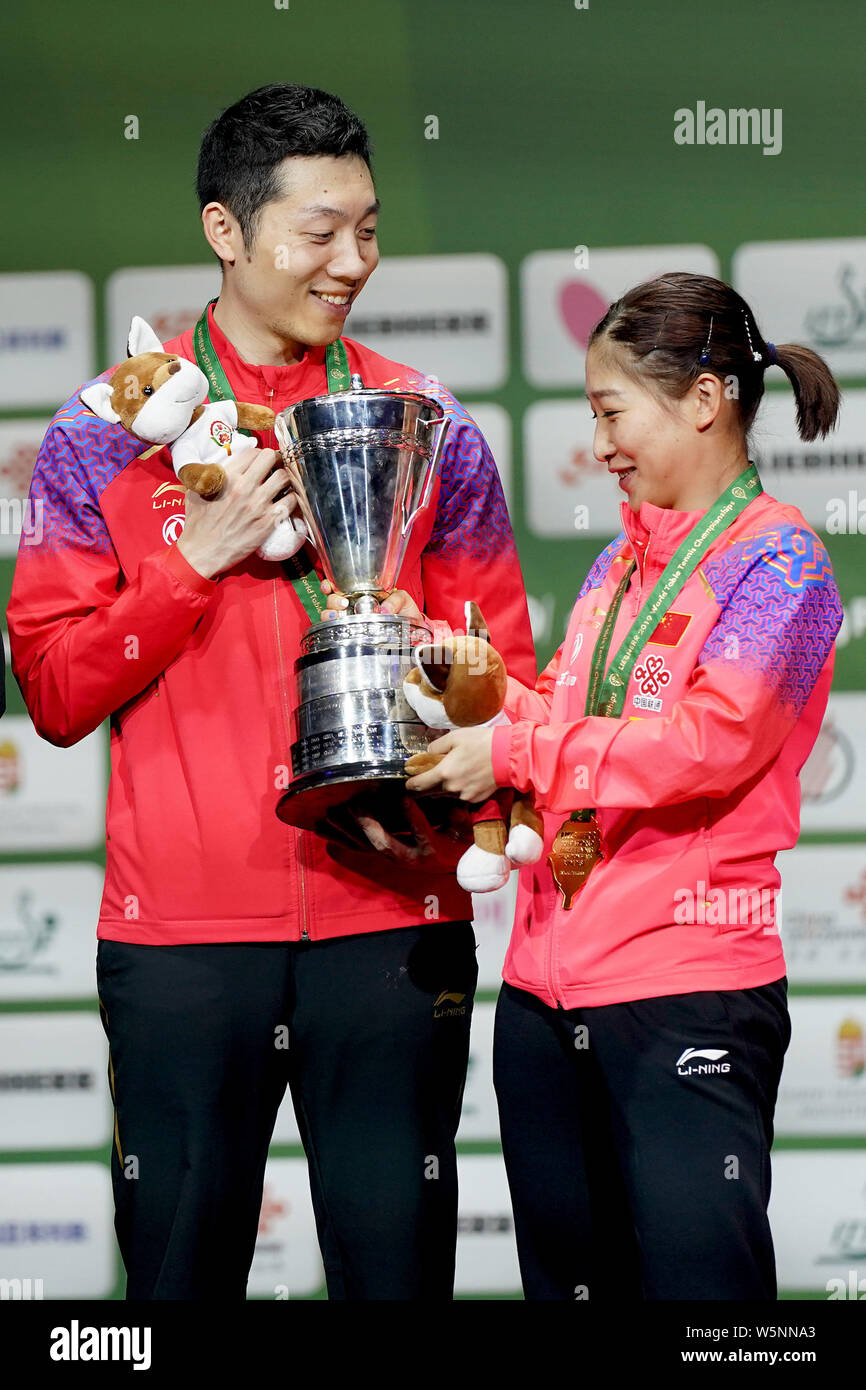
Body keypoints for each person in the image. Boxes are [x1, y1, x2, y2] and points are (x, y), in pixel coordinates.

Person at [6, 83, 536, 1301]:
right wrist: (189, 567)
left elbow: (506, 675)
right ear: (225, 233)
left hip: (391, 921)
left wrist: (435, 665)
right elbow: (51, 687)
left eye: (368, 226)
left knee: (395, 1274)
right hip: (184, 940)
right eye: (318, 230)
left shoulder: (429, 422)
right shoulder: (101, 434)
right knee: (177, 1283)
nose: (353, 259)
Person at [401, 271, 844, 1300]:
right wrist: (439, 661)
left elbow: (710, 742)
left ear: (701, 398)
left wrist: (515, 752)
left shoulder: (781, 565)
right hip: (544, 996)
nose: (596, 442)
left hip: (687, 989)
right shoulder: (613, 568)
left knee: (705, 1299)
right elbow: (553, 713)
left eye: (610, 410)